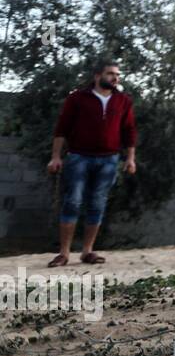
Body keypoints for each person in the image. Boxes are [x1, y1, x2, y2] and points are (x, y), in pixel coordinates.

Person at [46, 60, 137, 267]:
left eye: (117, 75)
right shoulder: (77, 98)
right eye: (111, 74)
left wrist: (130, 158)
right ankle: (64, 253)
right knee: (73, 201)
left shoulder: (123, 100)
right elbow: (62, 128)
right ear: (97, 76)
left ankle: (87, 252)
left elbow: (129, 130)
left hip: (109, 159)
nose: (115, 78)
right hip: (79, 156)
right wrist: (56, 156)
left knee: (97, 203)